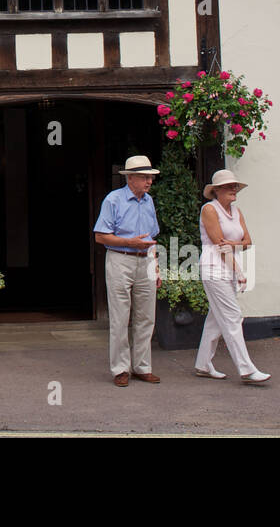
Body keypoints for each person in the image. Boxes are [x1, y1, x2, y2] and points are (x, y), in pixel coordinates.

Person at [194, 169, 271, 385]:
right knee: (232, 316)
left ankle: (202, 364)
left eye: (234, 186)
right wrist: (239, 272)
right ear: (216, 190)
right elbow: (220, 246)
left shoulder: (236, 212)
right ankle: (247, 370)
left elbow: (248, 242)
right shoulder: (209, 209)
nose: (233, 189)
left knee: (215, 319)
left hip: (229, 268)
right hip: (213, 268)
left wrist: (235, 245)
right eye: (228, 186)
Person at [93, 155, 163, 387]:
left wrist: (156, 267)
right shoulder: (114, 200)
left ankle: (143, 366)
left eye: (150, 177)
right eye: (144, 177)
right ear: (130, 178)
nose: (149, 181)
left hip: (145, 261)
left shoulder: (148, 201)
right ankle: (121, 368)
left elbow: (151, 237)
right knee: (120, 317)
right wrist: (130, 243)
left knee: (146, 317)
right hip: (120, 259)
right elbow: (100, 236)